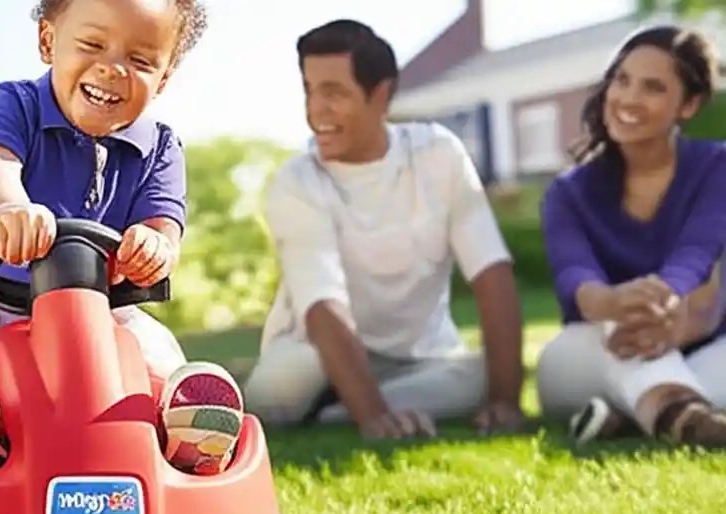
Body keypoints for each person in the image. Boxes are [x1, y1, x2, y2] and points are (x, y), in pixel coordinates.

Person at [0, 0, 245, 476]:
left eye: (140, 61)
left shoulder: (159, 149)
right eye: (93, 44)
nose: (112, 69)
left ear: (163, 79)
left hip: (99, 312)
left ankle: (186, 420)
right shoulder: (14, 105)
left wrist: (154, 247)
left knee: (147, 337)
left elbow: (164, 225)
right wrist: (10, 209)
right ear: (48, 41)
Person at [242, 20, 526, 440]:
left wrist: (505, 402)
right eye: (309, 90)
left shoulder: (438, 154)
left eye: (333, 92)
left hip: (420, 360)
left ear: (380, 96)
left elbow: (492, 274)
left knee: (485, 373)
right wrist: (373, 415)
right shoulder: (296, 181)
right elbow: (323, 305)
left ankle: (332, 413)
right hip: (315, 354)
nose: (315, 111)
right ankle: (353, 401)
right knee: (281, 385)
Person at [535, 25, 726, 447]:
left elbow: (696, 254)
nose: (628, 99)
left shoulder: (717, 168)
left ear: (689, 104)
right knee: (613, 336)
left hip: (699, 345)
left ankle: (637, 415)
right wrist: (614, 304)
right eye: (621, 80)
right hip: (589, 354)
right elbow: (574, 274)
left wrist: (663, 310)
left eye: (653, 88)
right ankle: (683, 416)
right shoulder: (567, 192)